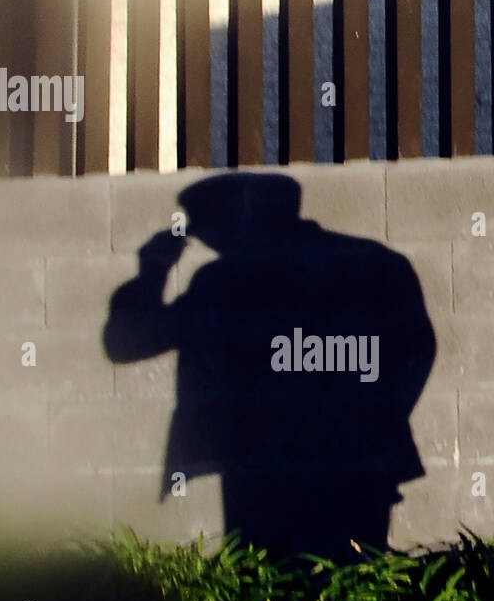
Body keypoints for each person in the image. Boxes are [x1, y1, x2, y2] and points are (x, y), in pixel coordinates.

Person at [102, 172, 436, 562]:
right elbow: (417, 349)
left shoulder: (226, 280)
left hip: (263, 466)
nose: (209, 241)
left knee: (273, 587)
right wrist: (379, 416)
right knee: (355, 582)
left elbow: (129, 342)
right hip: (359, 460)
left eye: (209, 228)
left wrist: (151, 273)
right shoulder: (375, 261)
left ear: (242, 217)